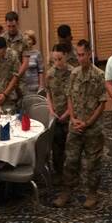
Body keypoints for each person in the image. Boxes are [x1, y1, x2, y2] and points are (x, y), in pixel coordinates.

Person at [56, 39, 109, 209]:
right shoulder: (74, 74)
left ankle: (92, 193)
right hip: (75, 125)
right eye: (77, 55)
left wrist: (88, 122)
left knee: (92, 162)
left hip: (92, 127)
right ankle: (67, 192)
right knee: (70, 160)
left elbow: (102, 103)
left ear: (89, 54)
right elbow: (69, 97)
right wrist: (72, 118)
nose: (80, 58)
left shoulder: (99, 75)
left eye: (82, 55)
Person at [43, 43, 73, 186]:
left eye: (60, 59)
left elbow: (75, 97)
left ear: (66, 56)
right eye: (54, 59)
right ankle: (58, 173)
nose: (57, 62)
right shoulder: (50, 74)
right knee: (56, 147)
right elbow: (48, 93)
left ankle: (71, 175)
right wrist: (50, 109)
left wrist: (67, 113)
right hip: (55, 115)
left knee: (70, 147)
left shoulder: (73, 74)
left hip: (69, 115)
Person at [20, 31, 42, 98]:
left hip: (35, 87)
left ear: (33, 40)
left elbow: (41, 71)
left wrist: (41, 86)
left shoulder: (37, 53)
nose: (27, 42)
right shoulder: (21, 53)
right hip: (23, 87)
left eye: (29, 39)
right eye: (25, 40)